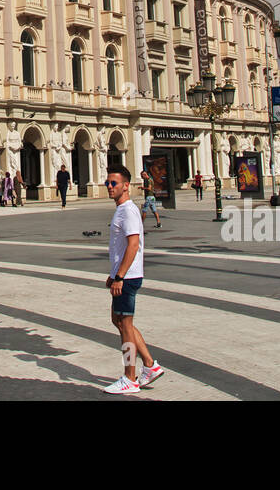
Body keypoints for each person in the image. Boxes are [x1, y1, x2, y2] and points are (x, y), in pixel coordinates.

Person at [102, 168, 162, 394]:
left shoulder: (127, 210)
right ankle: (150, 365)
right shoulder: (122, 210)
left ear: (126, 185)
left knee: (124, 325)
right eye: (108, 183)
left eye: (114, 183)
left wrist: (120, 276)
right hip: (125, 275)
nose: (110, 186)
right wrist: (114, 274)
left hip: (128, 277)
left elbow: (133, 245)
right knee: (119, 321)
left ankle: (130, 377)